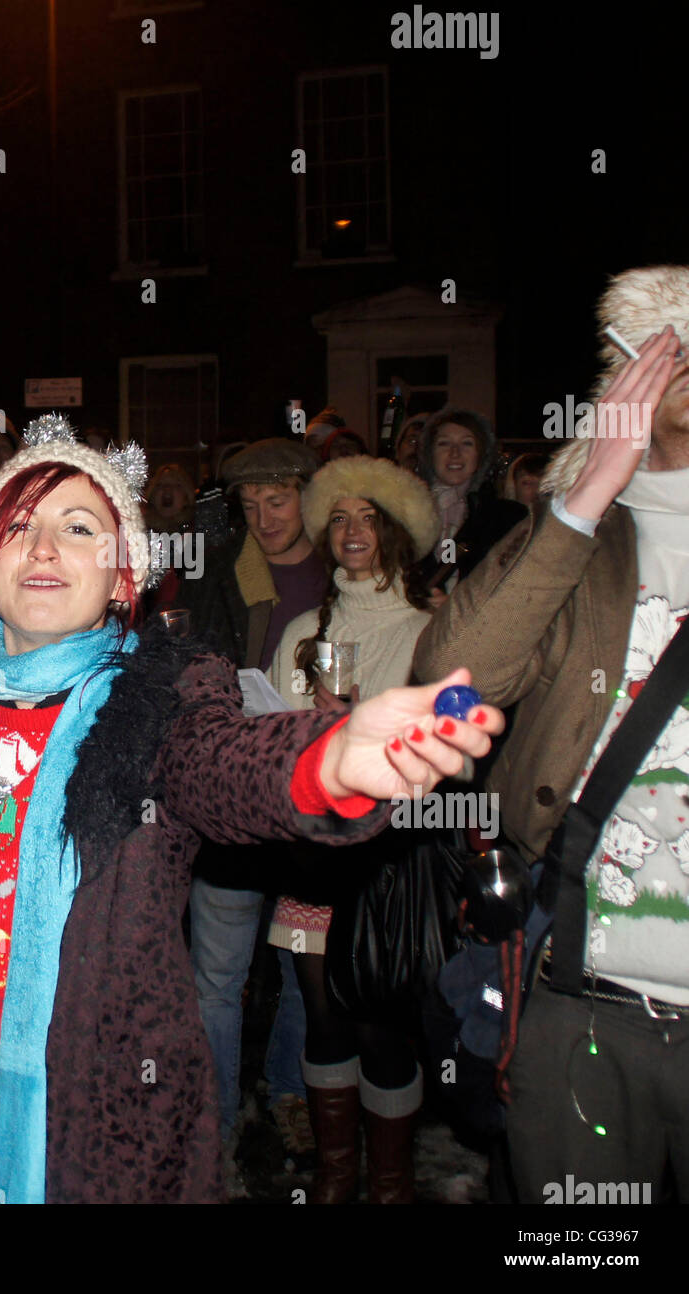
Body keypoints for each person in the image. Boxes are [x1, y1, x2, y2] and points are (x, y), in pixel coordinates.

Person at [0, 416, 501, 1204]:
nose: (41, 549)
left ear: (123, 576)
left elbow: (223, 765)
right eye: (18, 526)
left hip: (85, 1146)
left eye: (76, 528)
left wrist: (325, 762)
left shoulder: (155, 701)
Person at [412, 263, 689, 1203]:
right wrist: (581, 499)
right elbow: (449, 687)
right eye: (664, 346)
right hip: (577, 1002)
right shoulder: (576, 538)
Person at [267, 456, 439, 1202]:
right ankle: (338, 1177)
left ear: (395, 530)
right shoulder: (304, 629)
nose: (351, 529)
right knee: (323, 1019)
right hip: (311, 856)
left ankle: (391, 1184)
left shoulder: (431, 629)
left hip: (390, 863)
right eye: (338, 517)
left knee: (380, 1027)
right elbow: (266, 746)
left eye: (367, 515)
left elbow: (448, 751)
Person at [178, 438, 326, 1177]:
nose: (263, 518)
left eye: (278, 499)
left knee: (305, 966)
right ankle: (215, 1110)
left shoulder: (346, 567)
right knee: (218, 973)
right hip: (234, 805)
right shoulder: (220, 576)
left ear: (309, 495)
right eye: (249, 505)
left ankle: (294, 1098)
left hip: (314, 813)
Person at [417, 407, 527, 587]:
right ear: (429, 453)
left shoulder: (505, 518)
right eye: (444, 443)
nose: (455, 453)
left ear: (481, 455)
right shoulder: (406, 512)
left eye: (467, 443)